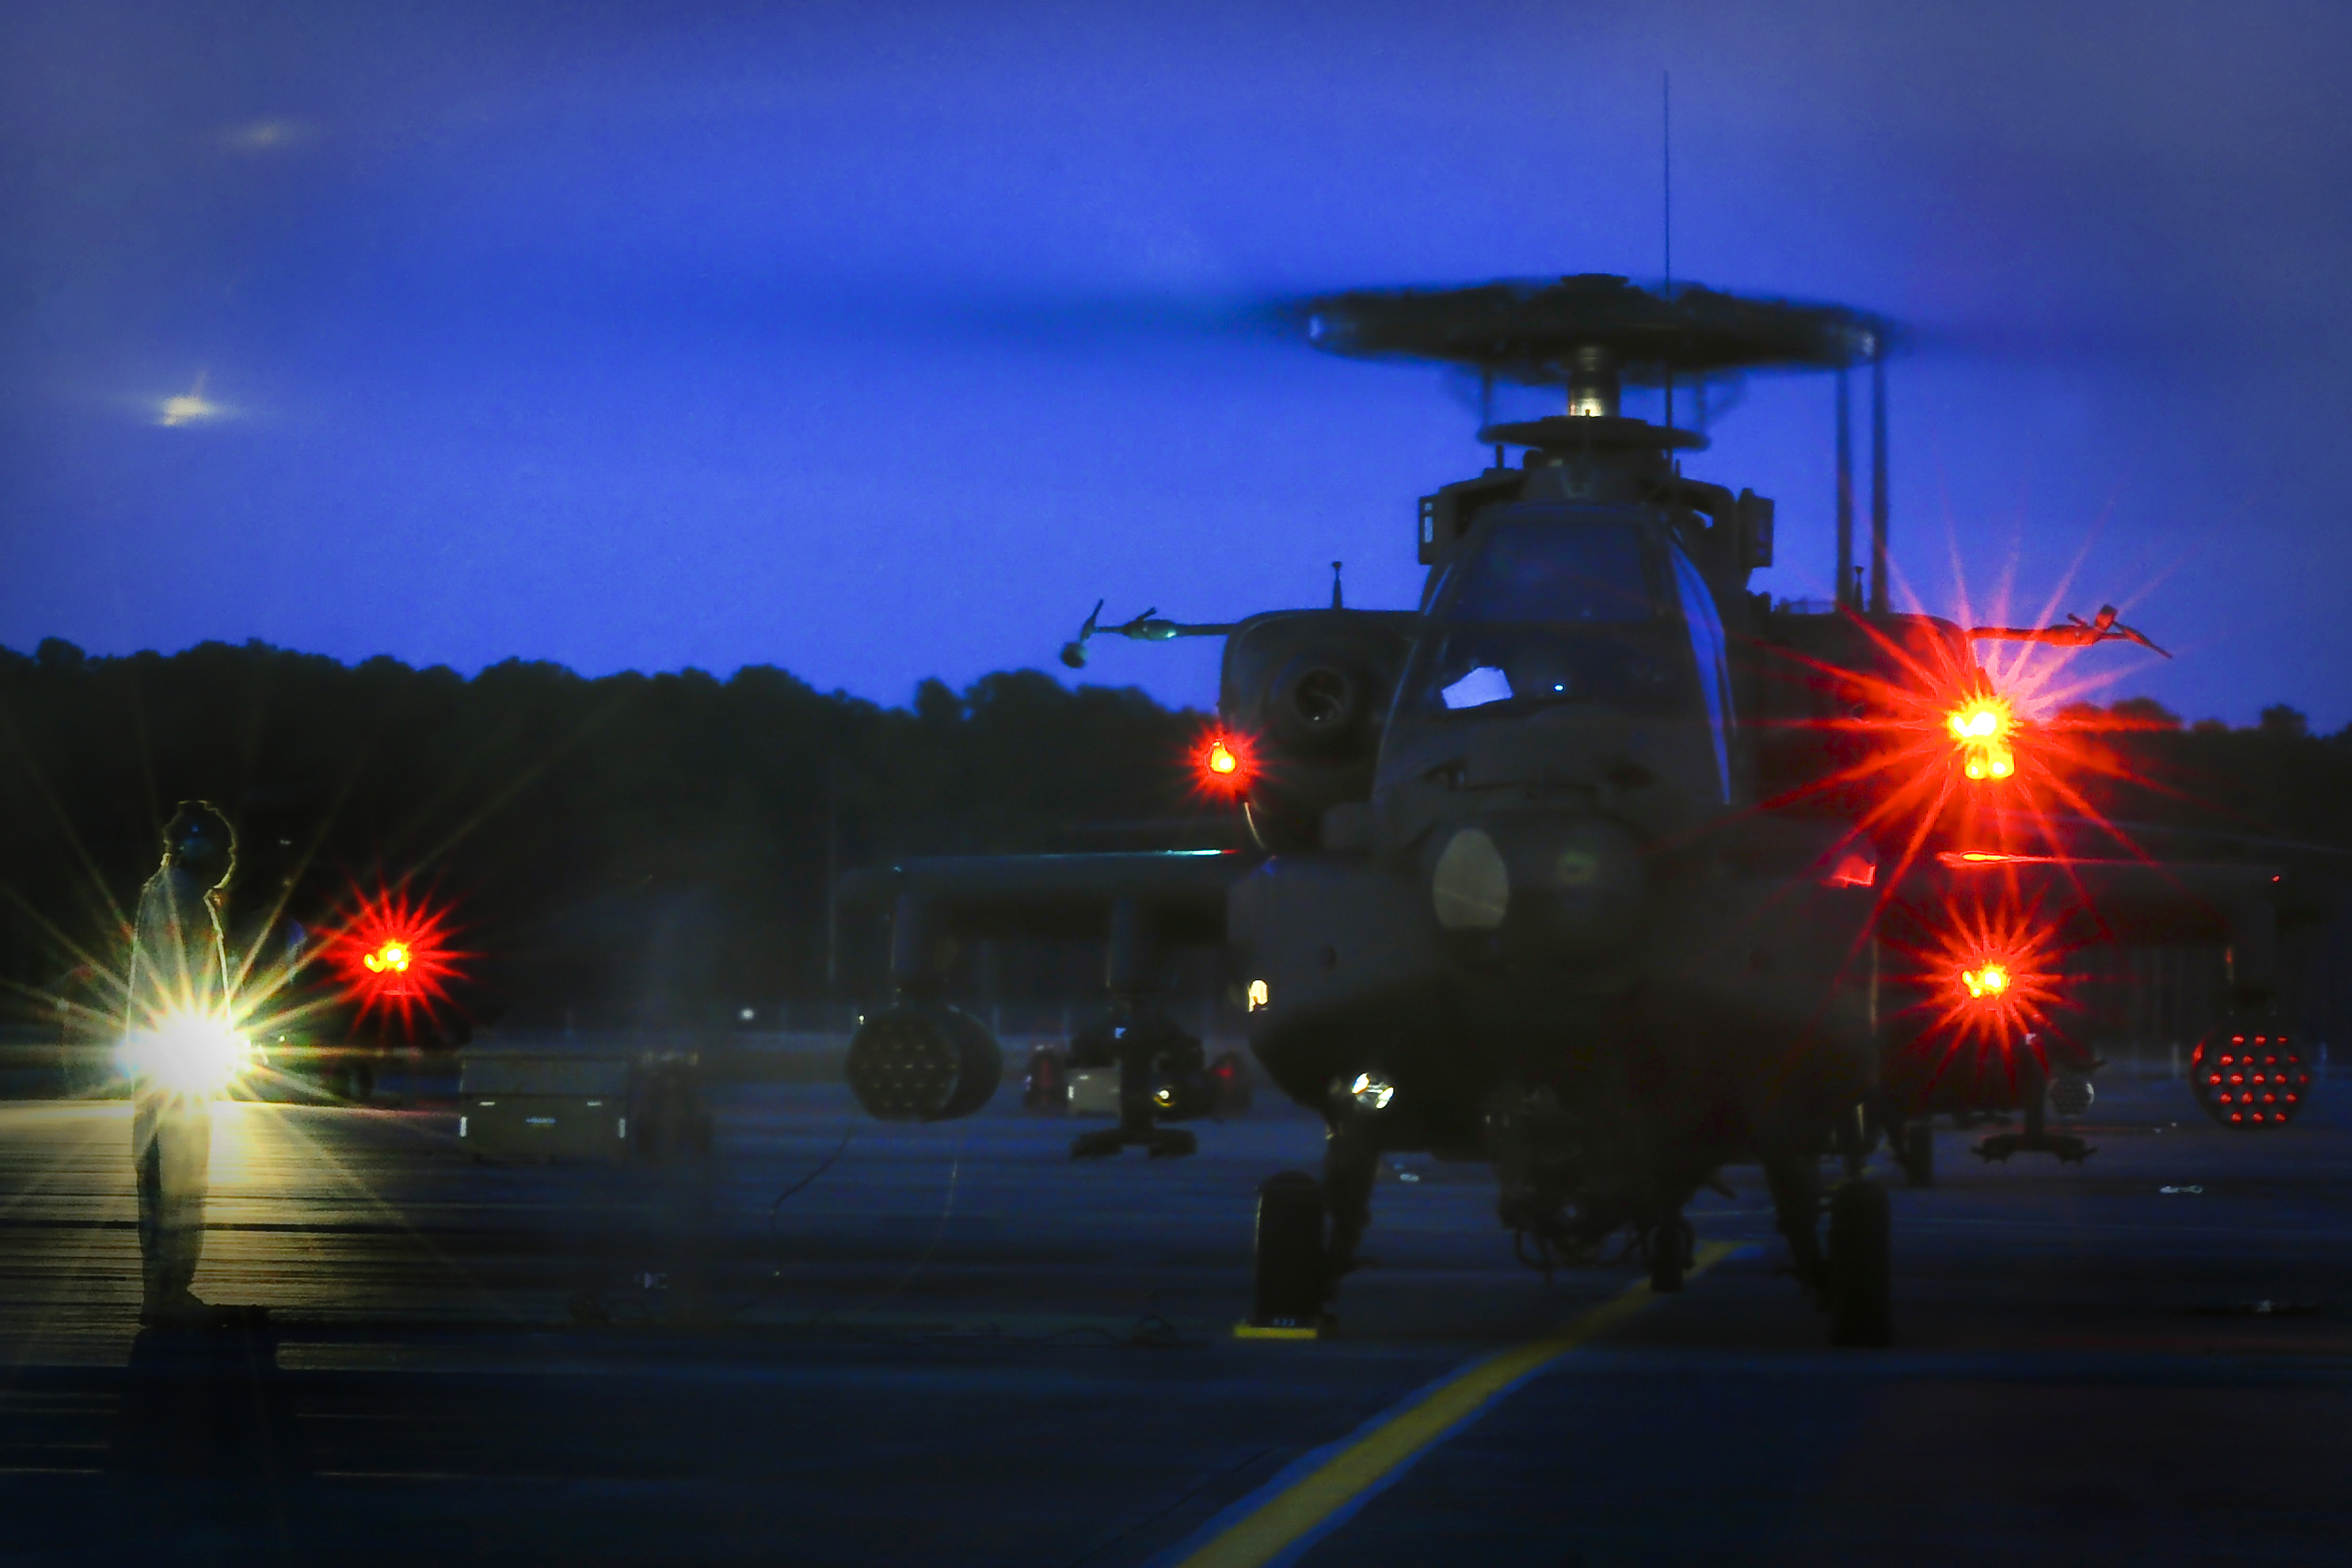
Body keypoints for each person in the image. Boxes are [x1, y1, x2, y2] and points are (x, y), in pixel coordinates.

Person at [124, 801, 236, 1326]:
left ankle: (162, 1290)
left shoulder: (163, 891)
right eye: (223, 849)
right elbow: (183, 980)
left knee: (158, 1172)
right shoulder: (181, 899)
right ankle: (168, 1292)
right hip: (178, 1056)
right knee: (180, 1173)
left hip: (158, 1053)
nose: (228, 859)